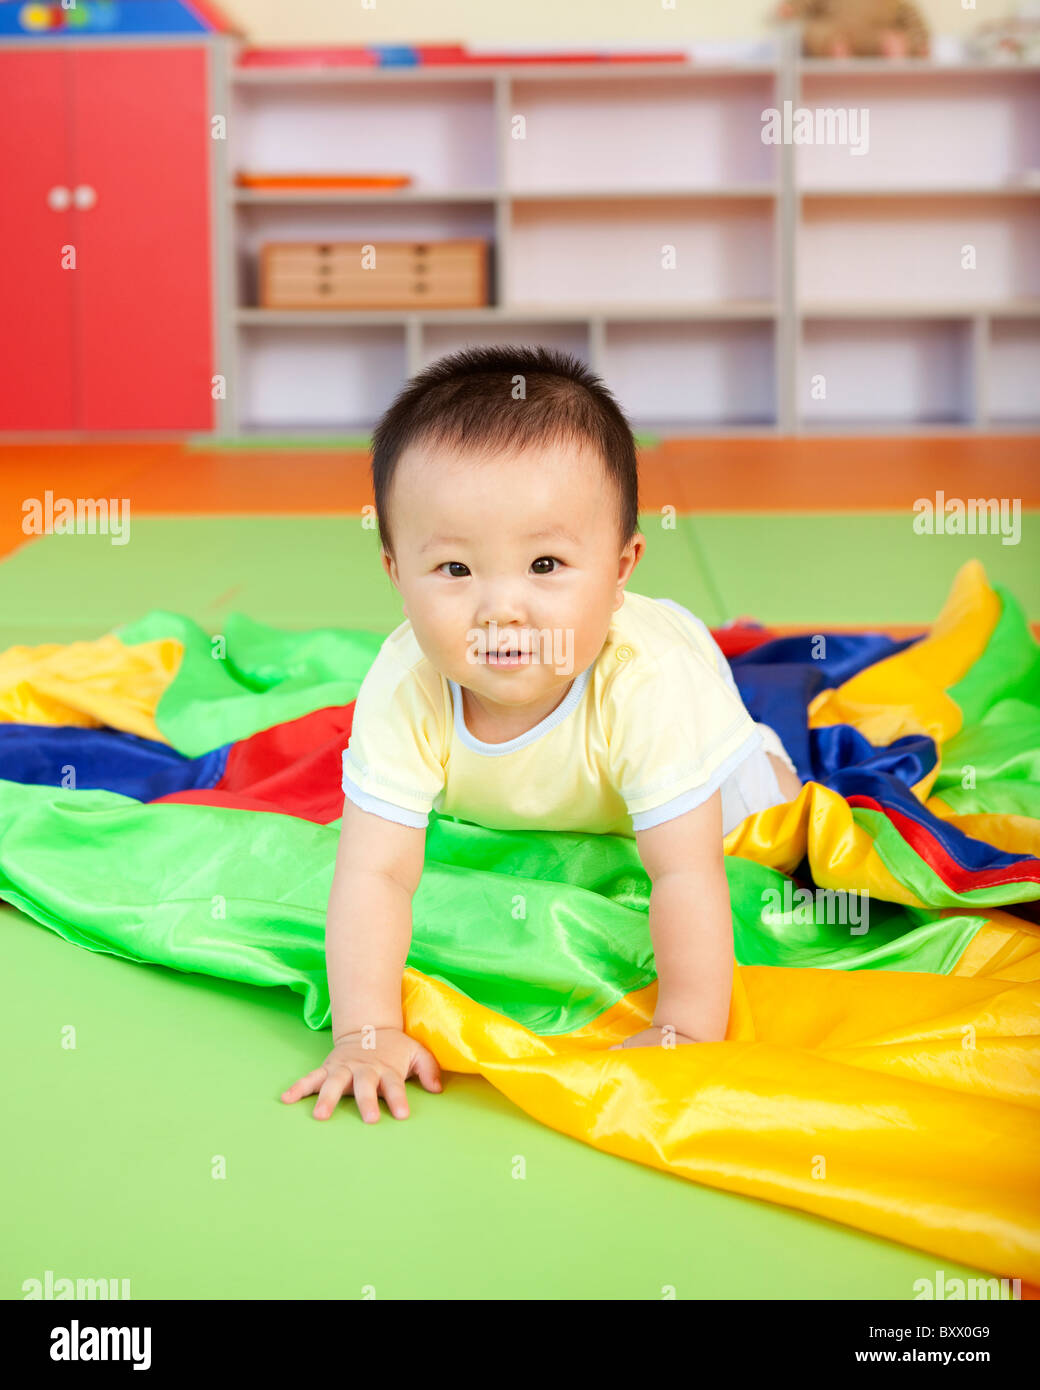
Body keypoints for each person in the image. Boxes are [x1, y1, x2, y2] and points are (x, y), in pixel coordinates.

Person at [281, 346, 802, 1125]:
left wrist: (685, 1029)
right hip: (570, 787)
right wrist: (368, 1031)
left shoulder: (647, 684)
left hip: (696, 746)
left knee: (772, 834)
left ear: (623, 565)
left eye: (546, 563)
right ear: (394, 572)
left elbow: (685, 877)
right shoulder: (404, 681)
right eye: (455, 570)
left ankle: (764, 746)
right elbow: (375, 875)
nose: (501, 609)